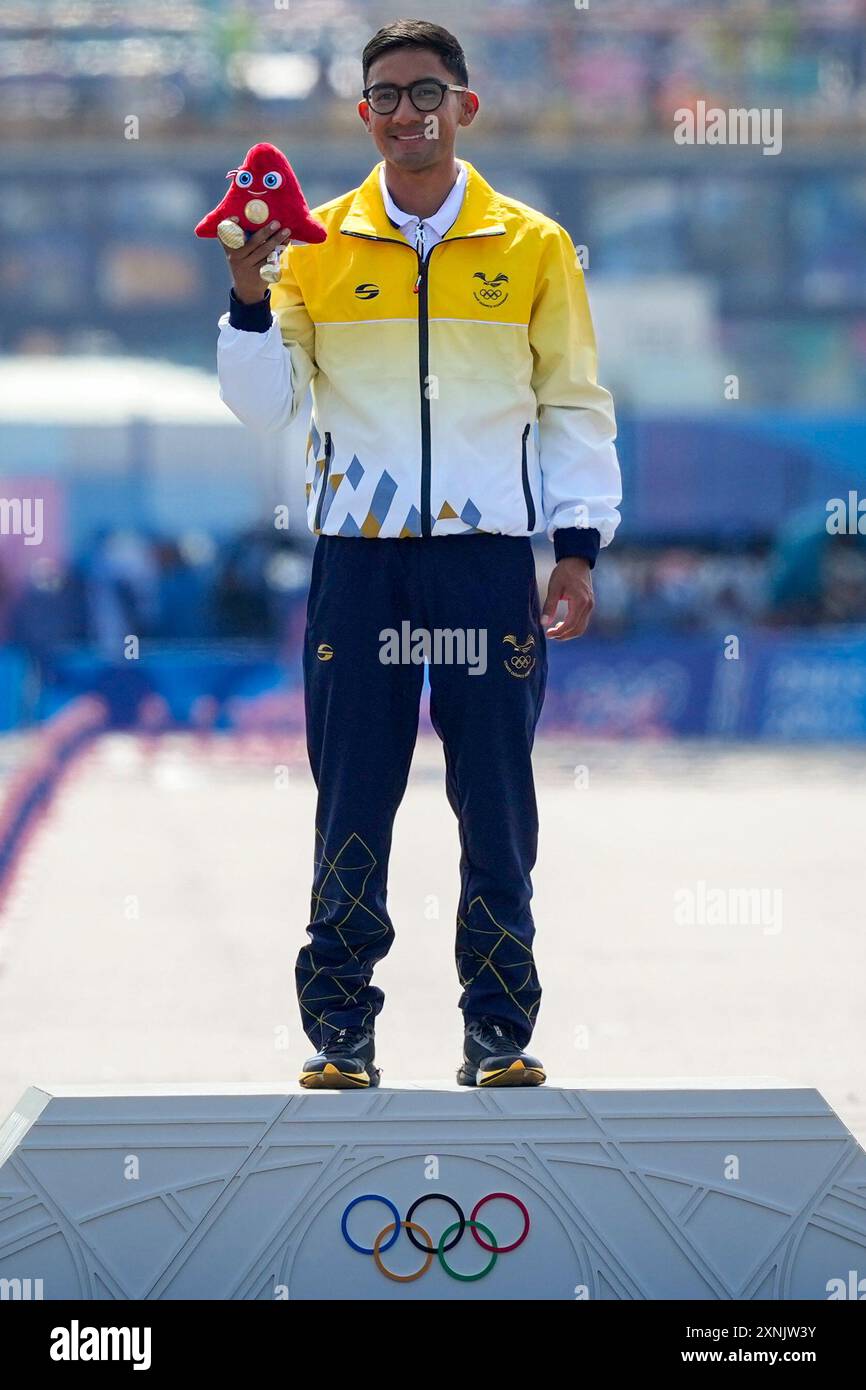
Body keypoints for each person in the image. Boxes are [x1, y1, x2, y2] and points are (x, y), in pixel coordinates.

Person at [216, 20, 622, 1089]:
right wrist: (249, 297)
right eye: (386, 96)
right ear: (364, 116)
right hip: (360, 560)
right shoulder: (313, 243)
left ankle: (498, 1029)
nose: (407, 112)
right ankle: (338, 1030)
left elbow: (574, 403)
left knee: (493, 795)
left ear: (466, 106)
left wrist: (575, 549)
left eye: (426, 91)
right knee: (354, 792)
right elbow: (262, 407)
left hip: (484, 563)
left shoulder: (532, 246)